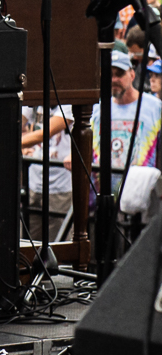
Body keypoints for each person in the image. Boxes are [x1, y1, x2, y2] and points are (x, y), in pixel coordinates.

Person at [88, 51, 162, 199]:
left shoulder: (155, 107)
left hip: (142, 195)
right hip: (104, 195)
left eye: (119, 74)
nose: (114, 79)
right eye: (110, 74)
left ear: (132, 75)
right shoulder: (97, 109)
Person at [21, 106, 73, 246]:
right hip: (34, 183)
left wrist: (12, 142)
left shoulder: (68, 101)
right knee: (29, 243)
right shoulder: (35, 100)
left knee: (57, 245)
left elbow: (46, 132)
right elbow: (15, 121)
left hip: (60, 187)